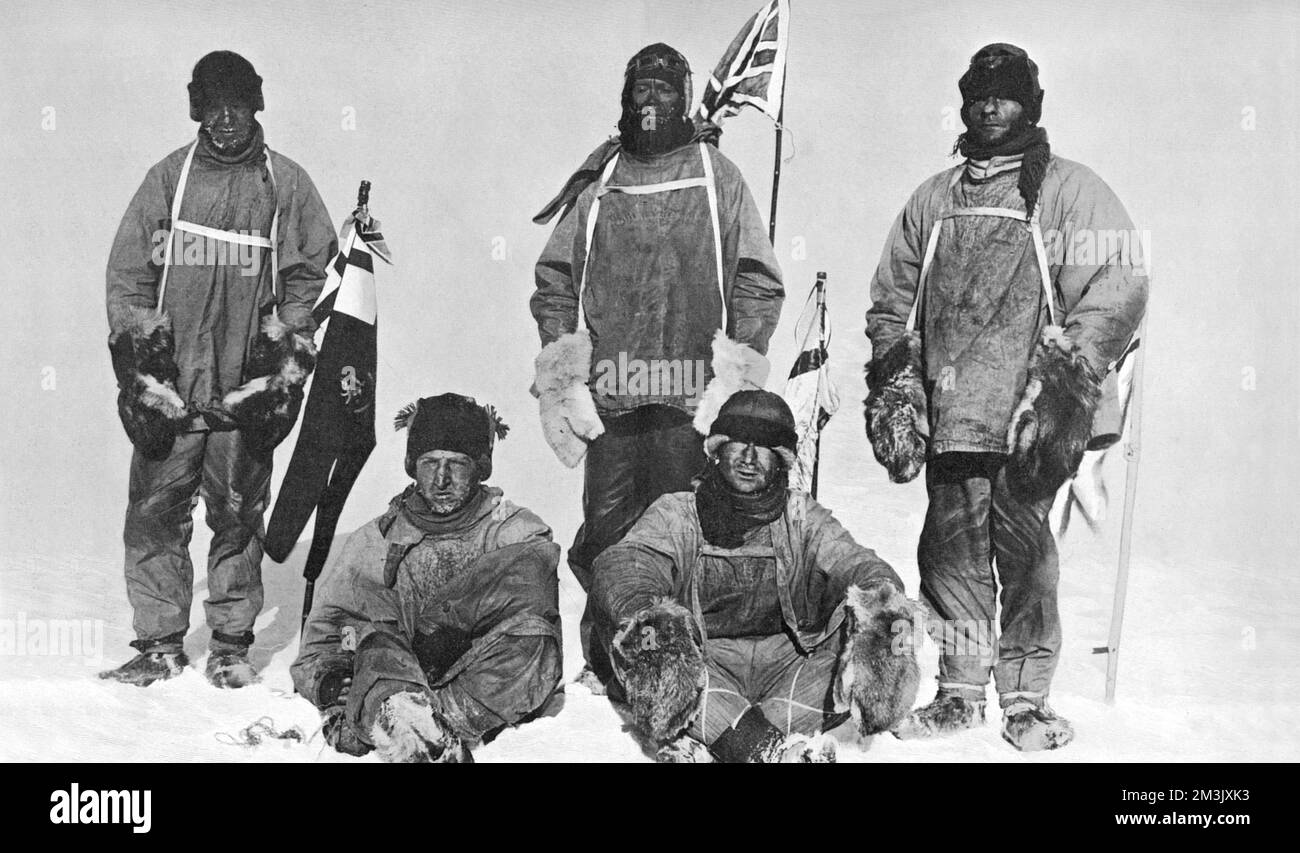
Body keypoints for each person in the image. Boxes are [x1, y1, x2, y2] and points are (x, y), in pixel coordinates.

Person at [864, 44, 1148, 750]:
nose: (991, 107)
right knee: (950, 557)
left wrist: (1067, 375)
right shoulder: (935, 199)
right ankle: (960, 691)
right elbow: (890, 300)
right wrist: (897, 374)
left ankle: (1026, 699)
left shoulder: (1068, 191)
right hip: (953, 416)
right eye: (979, 95)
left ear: (1031, 104)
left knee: (1025, 561)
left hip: (1028, 423)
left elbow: (1121, 280)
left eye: (1007, 95)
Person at [530, 43, 784, 692]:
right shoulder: (604, 180)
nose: (651, 101)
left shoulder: (713, 174)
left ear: (684, 99)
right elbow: (556, 279)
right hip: (613, 394)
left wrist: (736, 375)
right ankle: (610, 658)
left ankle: (680, 659)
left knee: (682, 530)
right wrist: (563, 374)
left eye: (664, 90)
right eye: (640, 89)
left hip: (688, 396)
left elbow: (757, 278)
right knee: (610, 533)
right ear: (626, 98)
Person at [101, 51, 337, 688]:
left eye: (237, 104)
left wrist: (279, 364)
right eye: (213, 106)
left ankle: (231, 644)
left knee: (236, 514)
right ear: (197, 109)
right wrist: (143, 374)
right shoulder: (169, 181)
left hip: (240, 391)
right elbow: (129, 277)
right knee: (153, 514)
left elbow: (309, 277)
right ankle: (158, 643)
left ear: (256, 105)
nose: (226, 119)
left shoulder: (284, 185)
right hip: (173, 391)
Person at [590, 391, 919, 762]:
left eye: (763, 446)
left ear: (780, 460)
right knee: (657, 651)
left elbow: (856, 562)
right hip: (703, 666)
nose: (749, 457)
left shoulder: (800, 515)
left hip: (789, 668)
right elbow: (625, 565)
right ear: (716, 450)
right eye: (739, 442)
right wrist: (650, 622)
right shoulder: (678, 512)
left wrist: (882, 609)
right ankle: (771, 751)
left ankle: (726, 741)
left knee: (866, 624)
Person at [291, 394, 563, 763]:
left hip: (478, 678)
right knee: (375, 646)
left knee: (533, 642)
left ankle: (421, 729)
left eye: (457, 463)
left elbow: (532, 608)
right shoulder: (377, 540)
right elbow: (327, 631)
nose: (442, 478)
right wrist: (327, 680)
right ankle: (414, 728)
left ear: (480, 467)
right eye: (430, 462)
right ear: (412, 466)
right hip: (400, 676)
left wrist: (447, 626)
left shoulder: (513, 529)